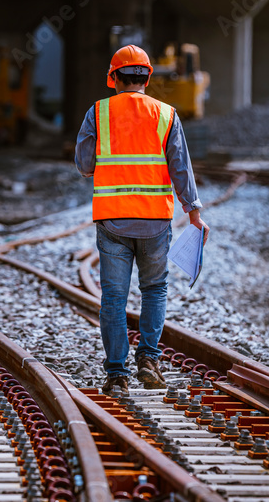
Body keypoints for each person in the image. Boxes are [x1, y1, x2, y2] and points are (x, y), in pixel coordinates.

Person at [74, 44, 209, 396]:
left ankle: (117, 375)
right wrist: (194, 213)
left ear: (114, 78)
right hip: (155, 222)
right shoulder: (166, 114)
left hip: (113, 220)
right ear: (147, 78)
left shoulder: (98, 113)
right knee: (154, 289)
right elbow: (181, 168)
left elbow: (84, 165)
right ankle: (148, 359)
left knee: (113, 298)